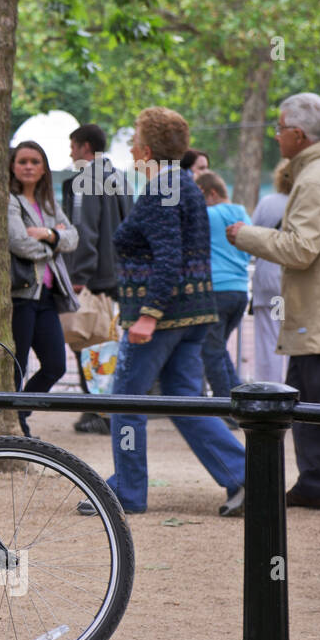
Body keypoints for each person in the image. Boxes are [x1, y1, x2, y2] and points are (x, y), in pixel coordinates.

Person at [102, 106, 245, 517]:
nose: (130, 148)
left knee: (127, 402)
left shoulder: (163, 189)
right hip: (196, 313)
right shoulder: (187, 184)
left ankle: (127, 491)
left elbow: (168, 258)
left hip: (163, 318)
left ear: (146, 150)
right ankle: (242, 474)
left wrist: (148, 314)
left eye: (133, 141)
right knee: (185, 401)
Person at [229, 91, 320, 509]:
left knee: (309, 406)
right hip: (317, 315)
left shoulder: (314, 177)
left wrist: (245, 235)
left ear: (299, 135)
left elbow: (302, 248)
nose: (275, 137)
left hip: (317, 320)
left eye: (280, 129)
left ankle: (317, 484)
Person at [62, 122, 132, 434]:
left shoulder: (86, 180)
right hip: (118, 275)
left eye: (73, 147)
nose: (70, 153)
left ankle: (96, 409)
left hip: (94, 277)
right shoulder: (120, 177)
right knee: (108, 341)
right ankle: (106, 407)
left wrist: (78, 275)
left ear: (84, 147)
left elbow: (84, 232)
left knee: (87, 339)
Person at [8, 141, 78, 437]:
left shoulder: (48, 204)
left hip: (48, 298)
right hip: (21, 296)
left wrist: (47, 234)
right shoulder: (10, 200)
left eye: (35, 161)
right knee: (18, 364)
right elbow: (19, 243)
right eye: (22, 161)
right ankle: (17, 427)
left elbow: (73, 238)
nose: (28, 166)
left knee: (55, 365)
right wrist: (54, 242)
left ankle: (19, 412)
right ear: (12, 165)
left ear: (44, 168)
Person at [195, 170, 250, 402]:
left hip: (216, 290)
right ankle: (239, 400)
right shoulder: (242, 214)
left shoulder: (209, 214)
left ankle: (224, 407)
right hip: (239, 290)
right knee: (218, 350)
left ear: (212, 193)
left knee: (211, 352)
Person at [247, 160, 292, 384]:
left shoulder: (268, 203)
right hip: (294, 281)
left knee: (269, 340)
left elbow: (253, 238)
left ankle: (270, 391)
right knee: (296, 340)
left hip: (268, 280)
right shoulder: (308, 201)